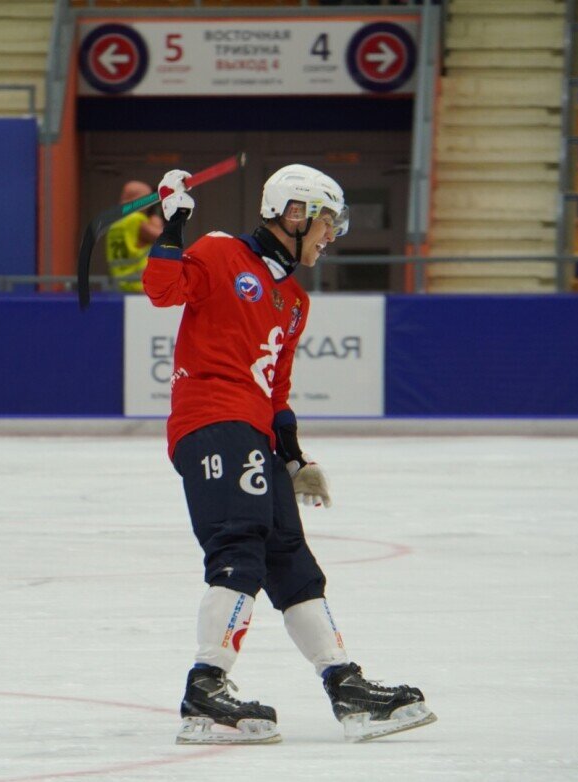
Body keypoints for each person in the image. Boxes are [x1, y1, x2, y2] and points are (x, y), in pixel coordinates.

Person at [143, 164, 437, 745]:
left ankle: (345, 686)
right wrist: (175, 225)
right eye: (327, 222)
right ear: (294, 213)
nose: (332, 235)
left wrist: (296, 459)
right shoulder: (222, 251)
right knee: (241, 549)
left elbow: (276, 393)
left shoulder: (294, 299)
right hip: (211, 421)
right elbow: (161, 290)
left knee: (292, 561)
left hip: (254, 432)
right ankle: (206, 688)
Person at [104, 180, 163, 293]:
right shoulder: (134, 218)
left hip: (120, 284)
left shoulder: (115, 222)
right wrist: (157, 221)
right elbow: (163, 239)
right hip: (140, 286)